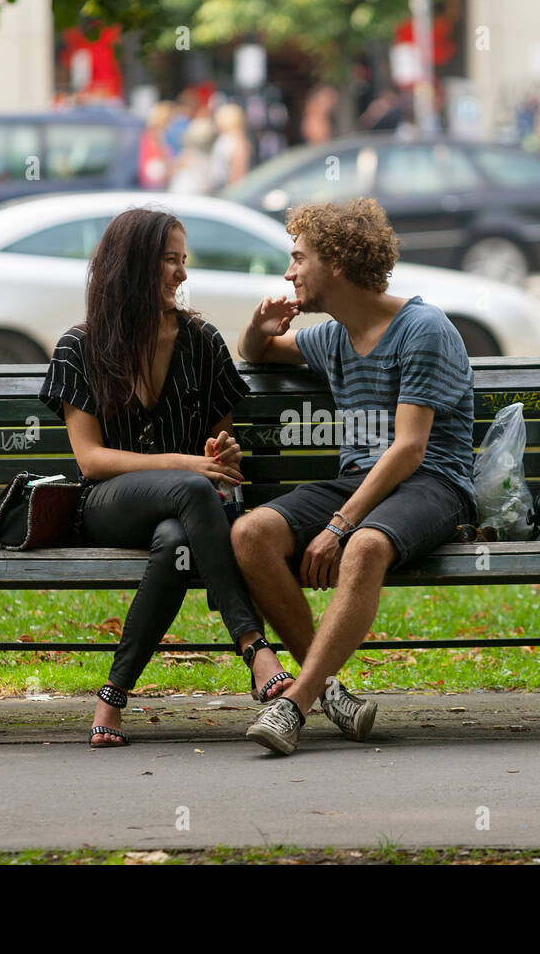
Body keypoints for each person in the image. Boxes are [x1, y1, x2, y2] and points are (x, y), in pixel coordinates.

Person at [38, 208, 293, 748]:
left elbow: (221, 452)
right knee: (191, 488)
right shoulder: (80, 346)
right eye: (170, 261)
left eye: (184, 261)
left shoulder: (200, 341)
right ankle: (254, 647)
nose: (182, 273)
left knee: (176, 541)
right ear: (132, 267)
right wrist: (184, 464)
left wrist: (218, 452)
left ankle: (112, 696)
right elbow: (91, 460)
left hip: (187, 515)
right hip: (108, 505)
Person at [231, 198, 477, 755]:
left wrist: (340, 525)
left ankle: (292, 705)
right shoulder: (336, 335)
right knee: (250, 534)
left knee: (364, 547)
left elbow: (410, 450)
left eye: (298, 258)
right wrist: (255, 327)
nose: (289, 272)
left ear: (336, 263)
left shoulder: (423, 328)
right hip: (362, 481)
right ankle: (330, 692)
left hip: (433, 484)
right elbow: (260, 352)